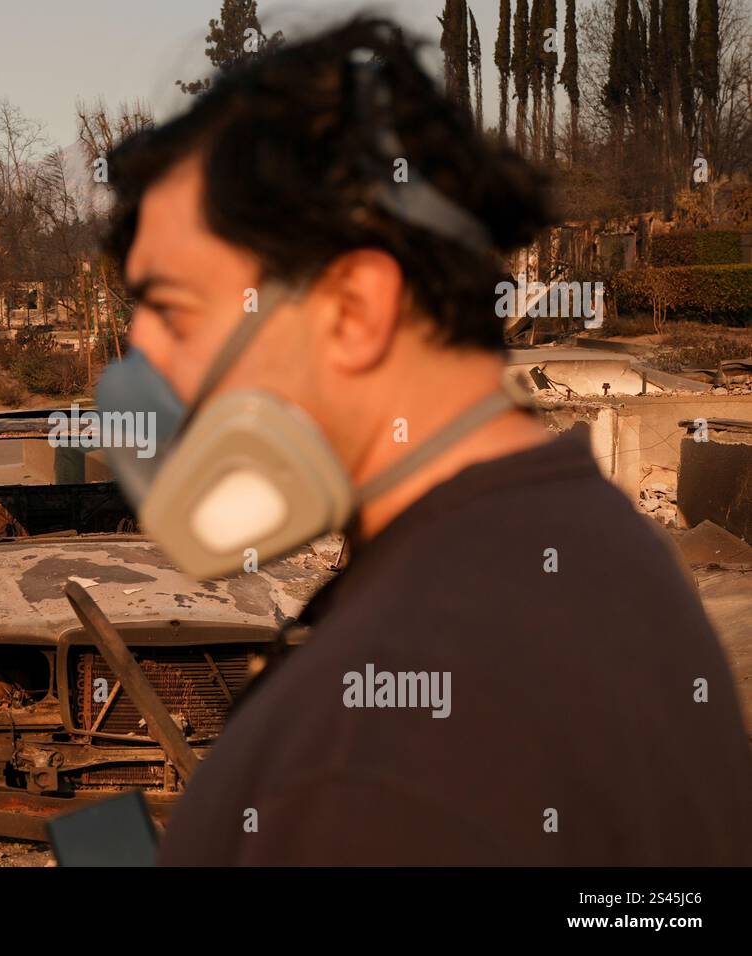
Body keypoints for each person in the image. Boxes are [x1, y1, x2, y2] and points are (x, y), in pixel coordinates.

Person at [94, 17, 752, 865]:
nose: (132, 384)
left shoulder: (387, 745)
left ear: (356, 309)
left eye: (175, 313)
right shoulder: (571, 544)